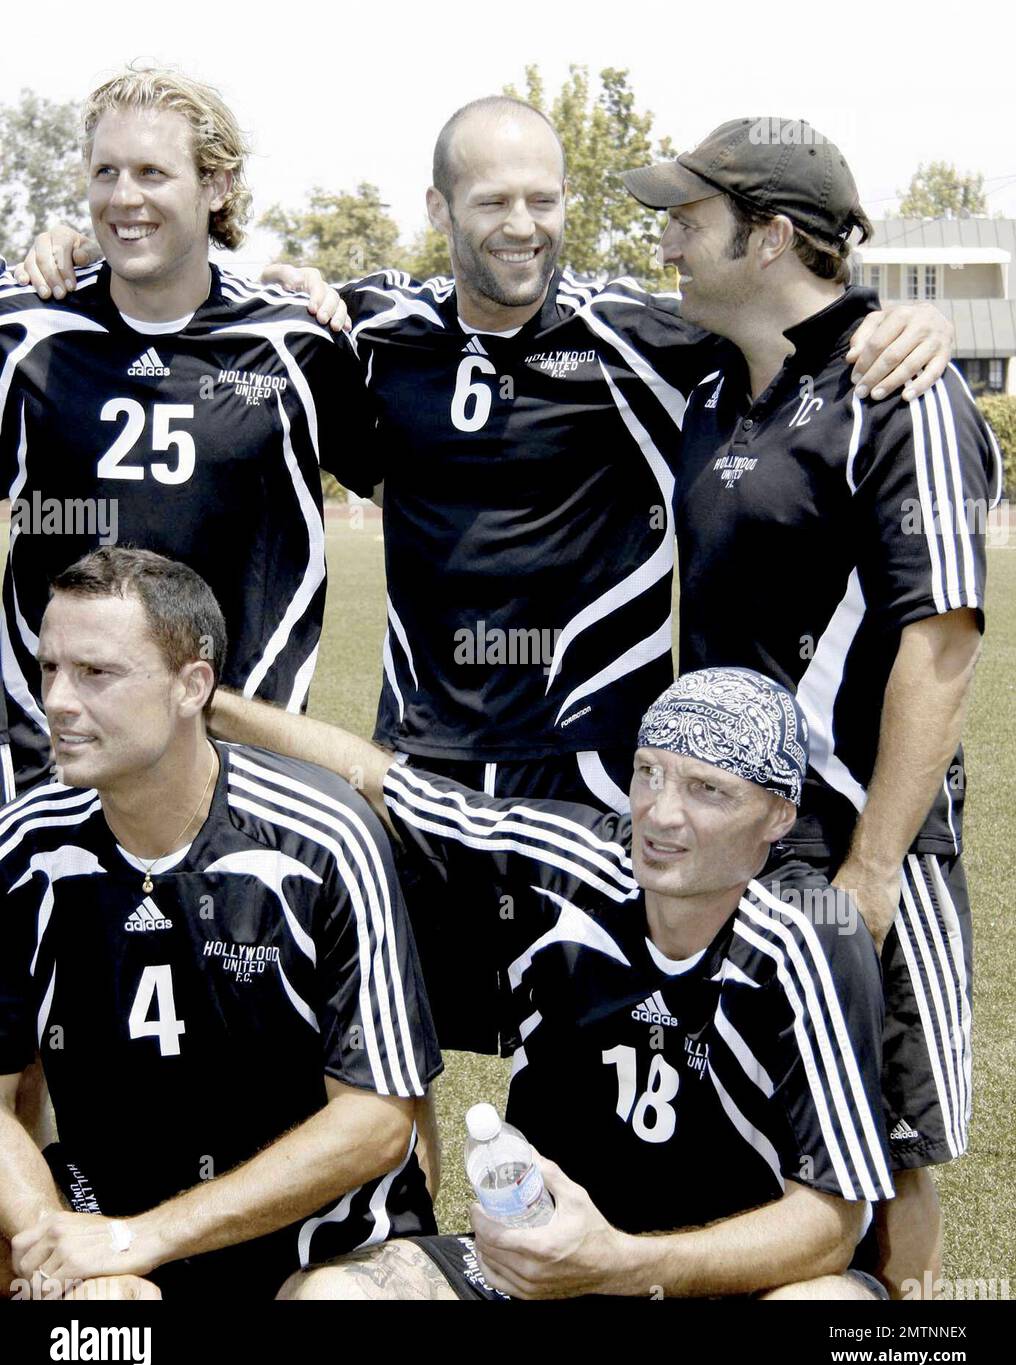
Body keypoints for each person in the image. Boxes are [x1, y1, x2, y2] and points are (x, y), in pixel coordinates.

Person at [20, 96, 954, 1054]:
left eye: (542, 200)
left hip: (586, 772)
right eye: (492, 200)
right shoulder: (370, 328)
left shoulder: (642, 338)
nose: (521, 224)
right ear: (439, 211)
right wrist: (68, 250)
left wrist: (901, 316)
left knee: (588, 1053)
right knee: (386, 1044)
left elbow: (794, 322)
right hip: (416, 763)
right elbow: (217, 296)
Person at [620, 117, 1002, 1296]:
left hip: (852, 846)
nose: (668, 244)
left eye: (689, 220)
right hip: (732, 842)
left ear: (771, 234)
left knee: (878, 1157)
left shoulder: (902, 396)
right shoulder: (708, 377)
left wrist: (875, 868)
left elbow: (939, 647)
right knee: (755, 1138)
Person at [208, 667, 893, 1300]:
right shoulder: (569, 861)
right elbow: (383, 782)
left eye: (707, 789)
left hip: (719, 1277)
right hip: (546, 1267)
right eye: (648, 773)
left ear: (779, 816)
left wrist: (624, 1262)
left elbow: (830, 1223)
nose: (660, 814)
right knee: (332, 1295)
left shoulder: (809, 937)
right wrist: (200, 703)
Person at [0, 547, 441, 1300]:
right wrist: (57, 1245)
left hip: (316, 1250)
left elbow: (375, 1121)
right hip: (103, 1227)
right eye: (48, 670)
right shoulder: (26, 845)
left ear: (191, 685)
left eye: (95, 673)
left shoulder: (325, 839)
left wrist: (140, 1240)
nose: (59, 703)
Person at [0, 65, 369, 807]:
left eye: (151, 172)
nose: (123, 198)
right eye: (106, 171)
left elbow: (423, 492)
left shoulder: (296, 343)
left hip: (240, 756)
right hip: (52, 757)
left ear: (217, 185)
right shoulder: (23, 333)